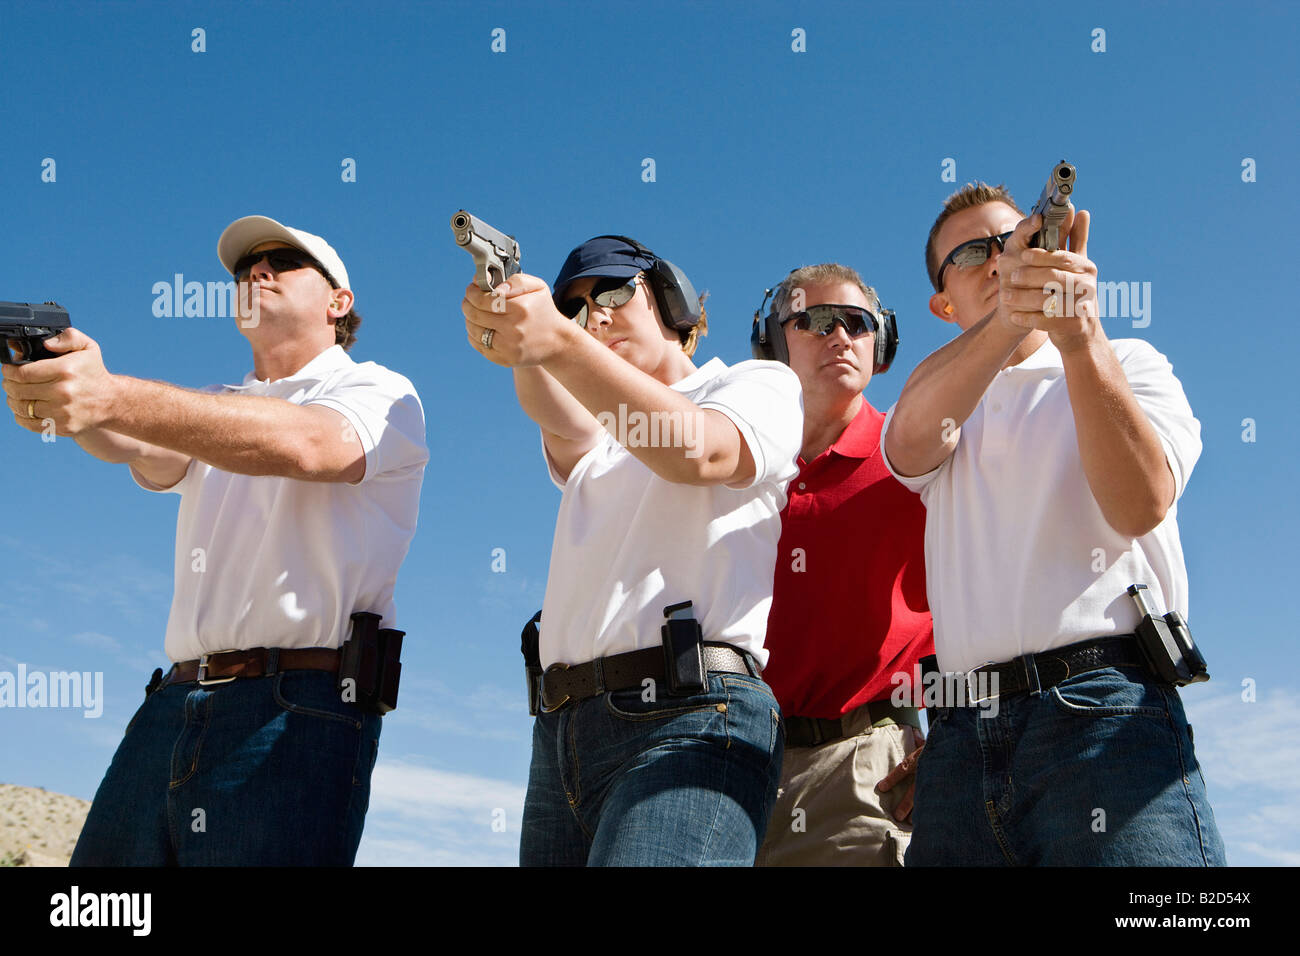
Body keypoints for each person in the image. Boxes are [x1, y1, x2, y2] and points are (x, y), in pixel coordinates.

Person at [3, 216, 428, 865]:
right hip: (173, 700)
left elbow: (307, 445)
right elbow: (134, 446)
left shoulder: (380, 390)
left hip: (296, 708)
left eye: (282, 260)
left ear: (339, 302)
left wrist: (108, 395)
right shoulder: (213, 405)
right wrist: (65, 397)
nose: (256, 273)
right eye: (244, 269)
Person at [881, 182, 1225, 865]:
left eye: (1016, 242)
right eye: (976, 251)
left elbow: (1139, 504)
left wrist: (1080, 337)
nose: (1002, 260)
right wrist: (1012, 315)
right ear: (942, 304)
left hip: (1104, 712)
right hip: (958, 742)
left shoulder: (1131, 362)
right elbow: (909, 444)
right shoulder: (939, 394)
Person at [461, 234, 802, 866]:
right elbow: (558, 413)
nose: (597, 315)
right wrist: (520, 335)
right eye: (576, 308)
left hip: (692, 716)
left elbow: (702, 452)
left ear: (672, 302)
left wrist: (555, 339)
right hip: (562, 730)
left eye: (615, 291)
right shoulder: (598, 435)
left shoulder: (757, 383)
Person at [748, 264, 933, 867]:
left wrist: (961, 739)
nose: (840, 336)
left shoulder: (917, 458)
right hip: (726, 763)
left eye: (858, 323)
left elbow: (989, 609)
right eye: (816, 320)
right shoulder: (736, 463)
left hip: (862, 772)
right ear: (771, 345)